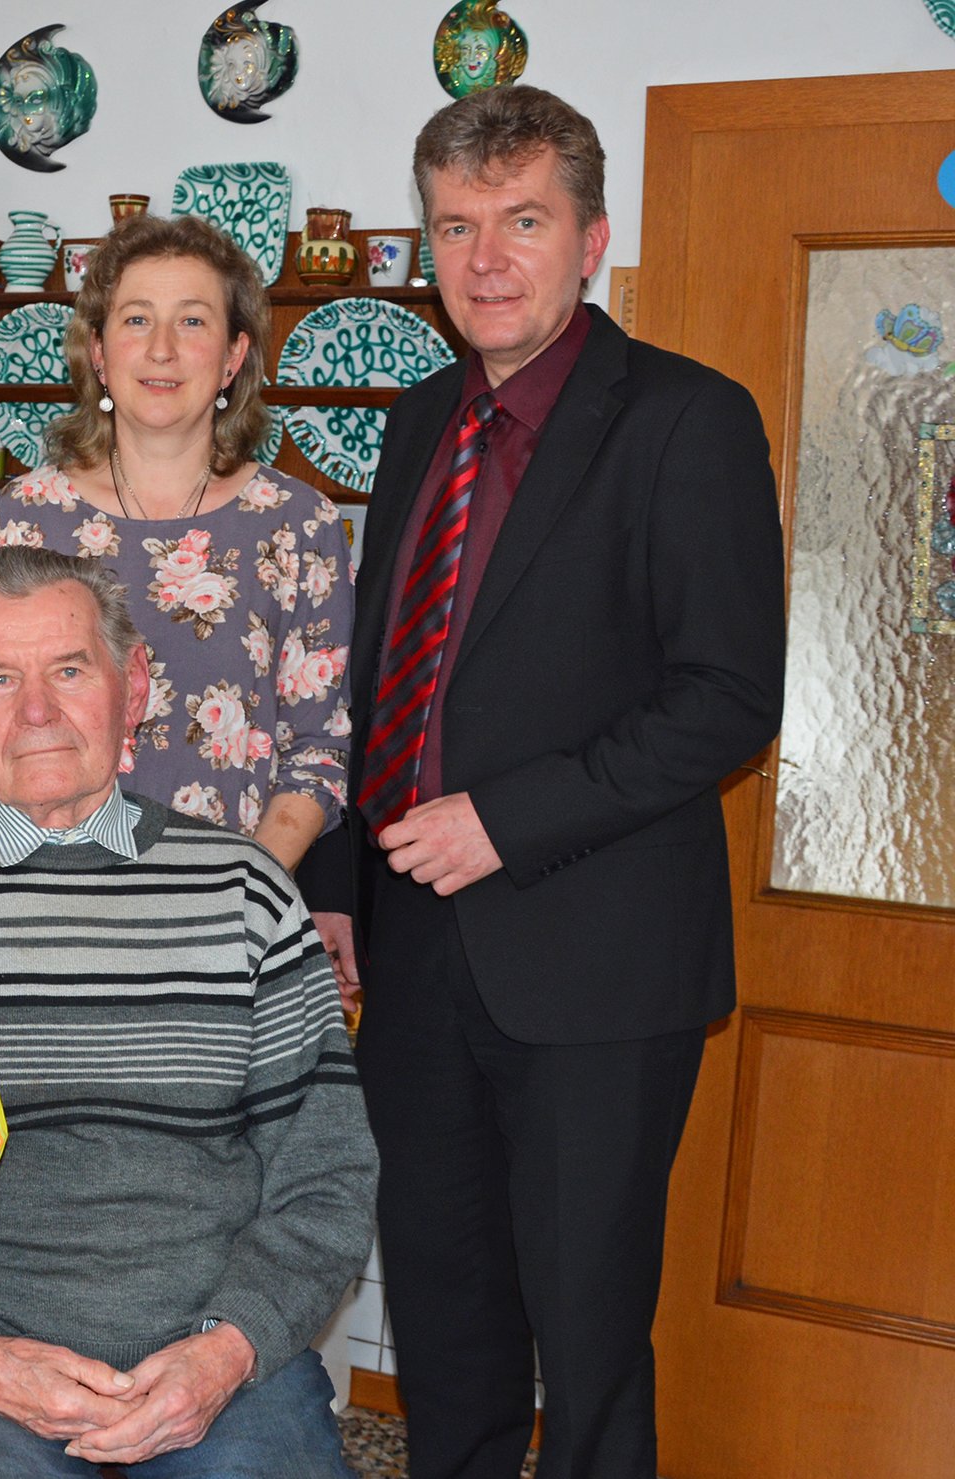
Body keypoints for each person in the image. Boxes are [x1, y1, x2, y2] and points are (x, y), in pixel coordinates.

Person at [297, 87, 786, 1478]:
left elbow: (728, 699)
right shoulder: (414, 421)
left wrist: (506, 819)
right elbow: (375, 680)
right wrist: (338, 884)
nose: (487, 257)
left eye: (522, 221)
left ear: (592, 238)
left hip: (597, 962)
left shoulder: (688, 421)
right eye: (457, 226)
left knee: (585, 1344)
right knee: (446, 1327)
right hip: (414, 947)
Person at [0, 545, 376, 1479]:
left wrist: (224, 1352)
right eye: (0, 678)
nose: (37, 710)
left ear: (135, 685)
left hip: (214, 1352)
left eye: (69, 670)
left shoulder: (244, 891)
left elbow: (323, 1175)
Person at [0, 213, 357, 982]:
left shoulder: (298, 524)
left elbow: (318, 754)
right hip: (36, 926)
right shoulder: (26, 516)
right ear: (99, 353)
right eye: (136, 319)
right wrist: (2, 884)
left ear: (233, 357)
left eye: (192, 320)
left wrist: (241, 891)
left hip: (220, 925)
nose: (161, 348)